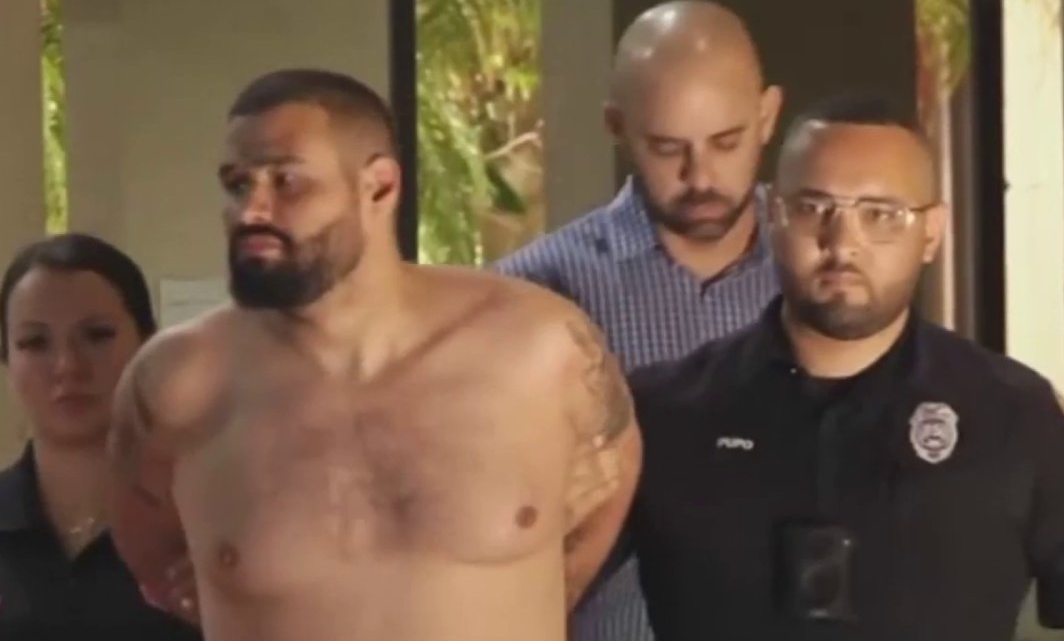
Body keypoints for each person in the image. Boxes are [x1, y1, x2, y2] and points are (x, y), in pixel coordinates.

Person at [105, 69, 641, 641]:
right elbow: (154, 557)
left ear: (379, 188)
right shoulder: (179, 383)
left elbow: (605, 502)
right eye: (237, 185)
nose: (252, 212)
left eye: (287, 182)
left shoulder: (541, 348)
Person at [627, 94, 1064, 641]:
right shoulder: (666, 411)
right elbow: (570, 576)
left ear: (931, 233)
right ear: (774, 216)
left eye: (881, 215)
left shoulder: (1013, 415)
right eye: (815, 208)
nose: (843, 243)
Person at [493, 0, 781, 641]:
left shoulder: (822, 273)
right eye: (667, 147)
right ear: (617, 127)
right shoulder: (536, 294)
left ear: (768, 116)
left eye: (727, 142)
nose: (701, 176)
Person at [0, 233, 200, 640]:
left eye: (97, 335)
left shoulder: (207, 522)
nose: (67, 366)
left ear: (147, 343)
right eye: (35, 342)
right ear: (7, 360)